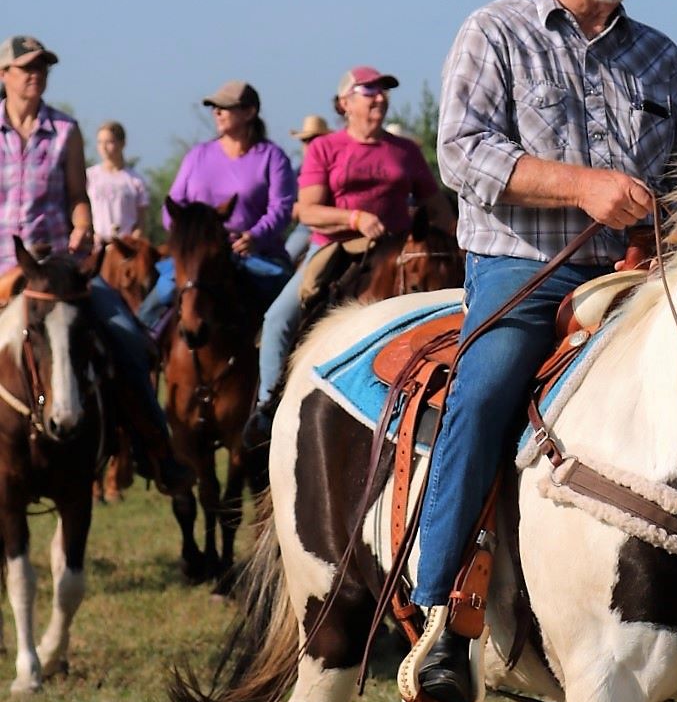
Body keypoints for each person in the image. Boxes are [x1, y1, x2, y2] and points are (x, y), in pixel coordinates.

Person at [404, 0, 677, 702]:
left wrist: (670, 231)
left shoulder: (659, 54)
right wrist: (581, 186)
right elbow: (460, 153)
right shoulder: (494, 33)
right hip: (524, 271)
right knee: (486, 388)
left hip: (639, 274)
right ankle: (442, 616)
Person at [0, 34, 191, 494]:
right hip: (2, 266)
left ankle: (157, 452)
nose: (36, 75)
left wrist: (82, 225)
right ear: (4, 75)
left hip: (57, 269)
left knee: (128, 336)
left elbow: (77, 198)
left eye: (42, 67)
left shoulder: (66, 130)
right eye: (26, 67)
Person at [243, 66, 456, 447]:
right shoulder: (326, 147)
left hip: (396, 252)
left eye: (383, 91)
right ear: (345, 103)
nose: (379, 97)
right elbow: (307, 210)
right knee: (278, 317)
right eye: (369, 90)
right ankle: (266, 407)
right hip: (334, 247)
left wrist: (461, 239)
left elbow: (433, 202)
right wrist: (353, 217)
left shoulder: (404, 151)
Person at [138, 80, 296, 333]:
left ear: (249, 112)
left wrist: (255, 236)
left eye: (225, 107)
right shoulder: (198, 155)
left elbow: (282, 207)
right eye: (214, 108)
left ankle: (283, 367)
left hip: (254, 254)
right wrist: (185, 234)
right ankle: (145, 358)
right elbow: (174, 204)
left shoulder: (271, 156)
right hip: (197, 257)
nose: (217, 113)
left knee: (285, 306)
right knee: (152, 307)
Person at [86, 121, 149, 243]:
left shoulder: (135, 180)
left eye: (109, 142)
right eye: (100, 142)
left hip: (125, 246)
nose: (103, 147)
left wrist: (134, 239)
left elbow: (141, 219)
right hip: (96, 245)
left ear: (122, 143)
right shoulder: (90, 176)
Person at [284, 114, 332, 265]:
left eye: (314, 139)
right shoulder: (297, 172)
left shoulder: (335, 169)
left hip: (332, 226)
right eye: (305, 140)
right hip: (304, 227)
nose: (309, 144)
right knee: (287, 257)